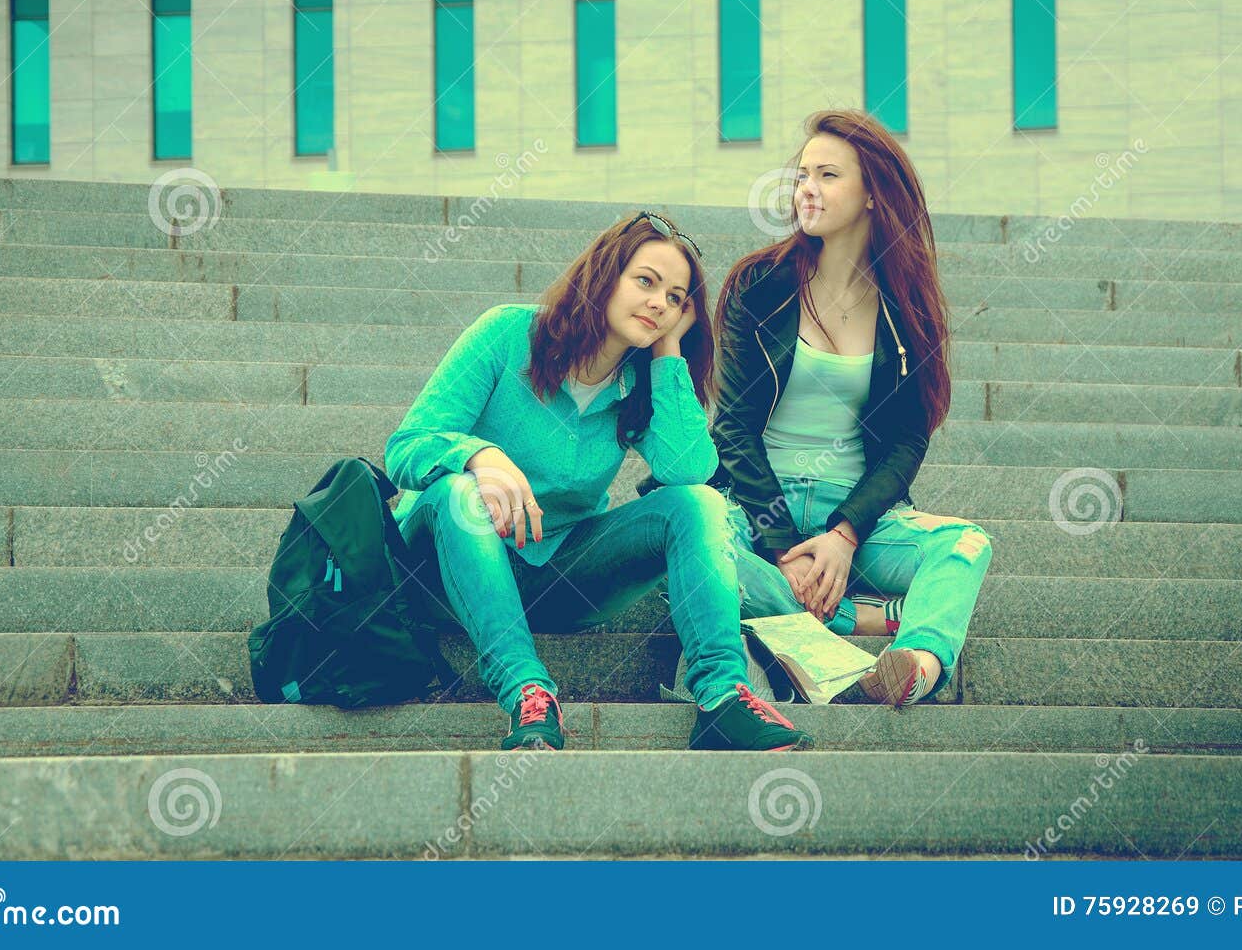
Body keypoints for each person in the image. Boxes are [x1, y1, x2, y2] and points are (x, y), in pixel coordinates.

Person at [385, 211, 813, 752]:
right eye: (645, 281)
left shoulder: (637, 381)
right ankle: (527, 693)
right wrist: (480, 457)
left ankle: (722, 697)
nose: (659, 303)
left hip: (558, 576)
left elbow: (688, 469)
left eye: (675, 298)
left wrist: (667, 353)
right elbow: (406, 447)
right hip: (446, 569)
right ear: (604, 276)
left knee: (698, 504)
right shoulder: (508, 334)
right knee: (458, 492)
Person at [713, 109, 993, 707]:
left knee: (964, 544)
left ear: (872, 194)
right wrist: (781, 548)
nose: (806, 189)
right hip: (756, 507)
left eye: (828, 175)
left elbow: (908, 440)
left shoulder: (906, 305)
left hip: (856, 515)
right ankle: (855, 620)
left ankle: (918, 665)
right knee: (700, 548)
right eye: (802, 175)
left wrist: (843, 535)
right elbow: (732, 428)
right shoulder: (759, 286)